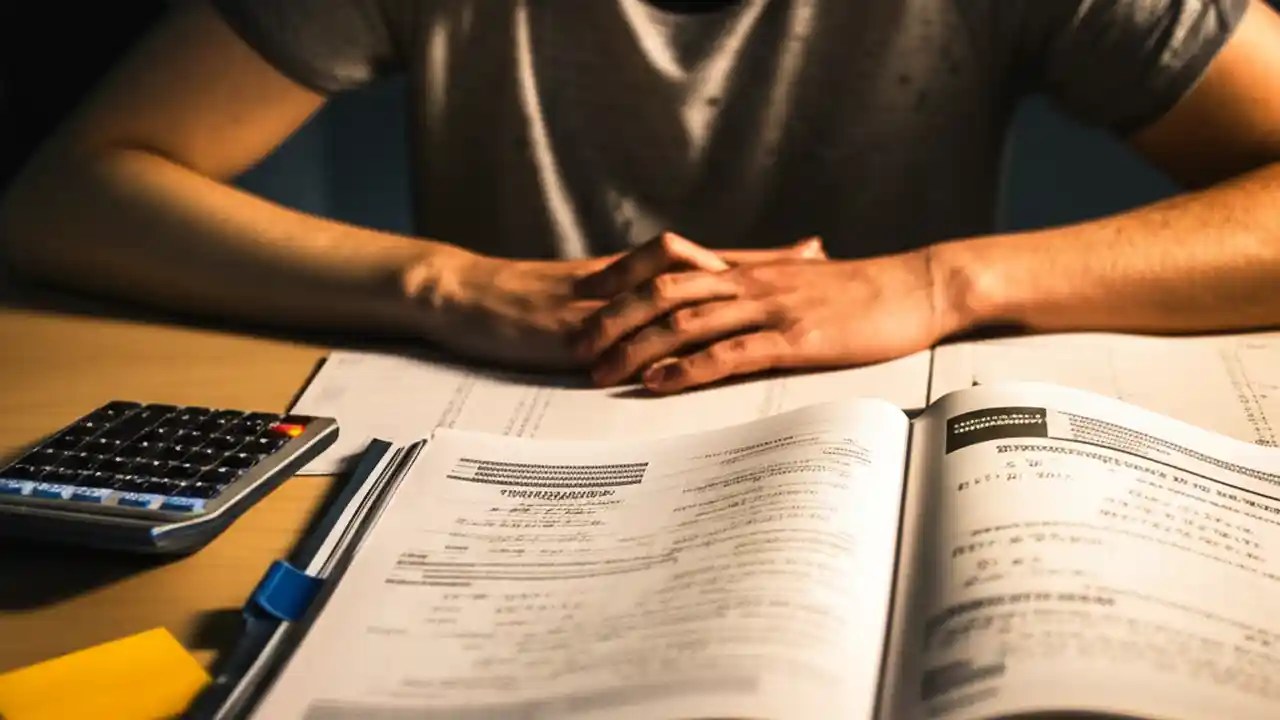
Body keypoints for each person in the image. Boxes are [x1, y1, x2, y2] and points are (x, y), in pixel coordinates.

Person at [2, 0, 1278, 395]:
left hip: (872, 442)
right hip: (508, 430)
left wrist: (937, 283)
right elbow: (70, 193)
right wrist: (449, 283)